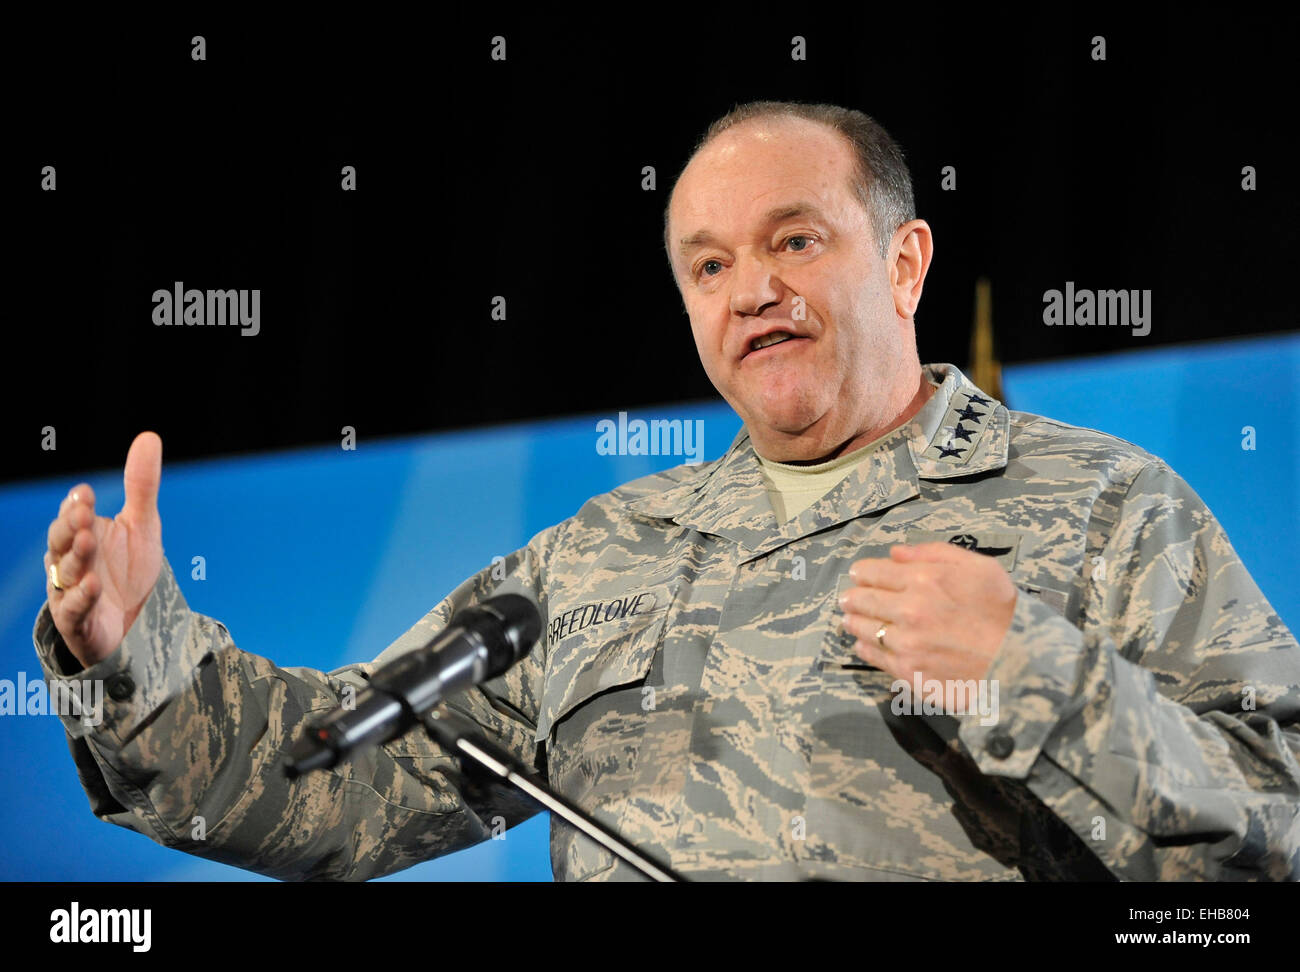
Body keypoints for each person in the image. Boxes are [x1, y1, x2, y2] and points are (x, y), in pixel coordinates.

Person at [35, 101, 1300, 881]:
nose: (748, 287)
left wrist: (1031, 671)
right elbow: (335, 784)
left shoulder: (1103, 502)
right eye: (708, 264)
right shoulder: (600, 558)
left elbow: (1276, 829)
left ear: (905, 262)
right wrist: (131, 652)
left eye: (794, 240)